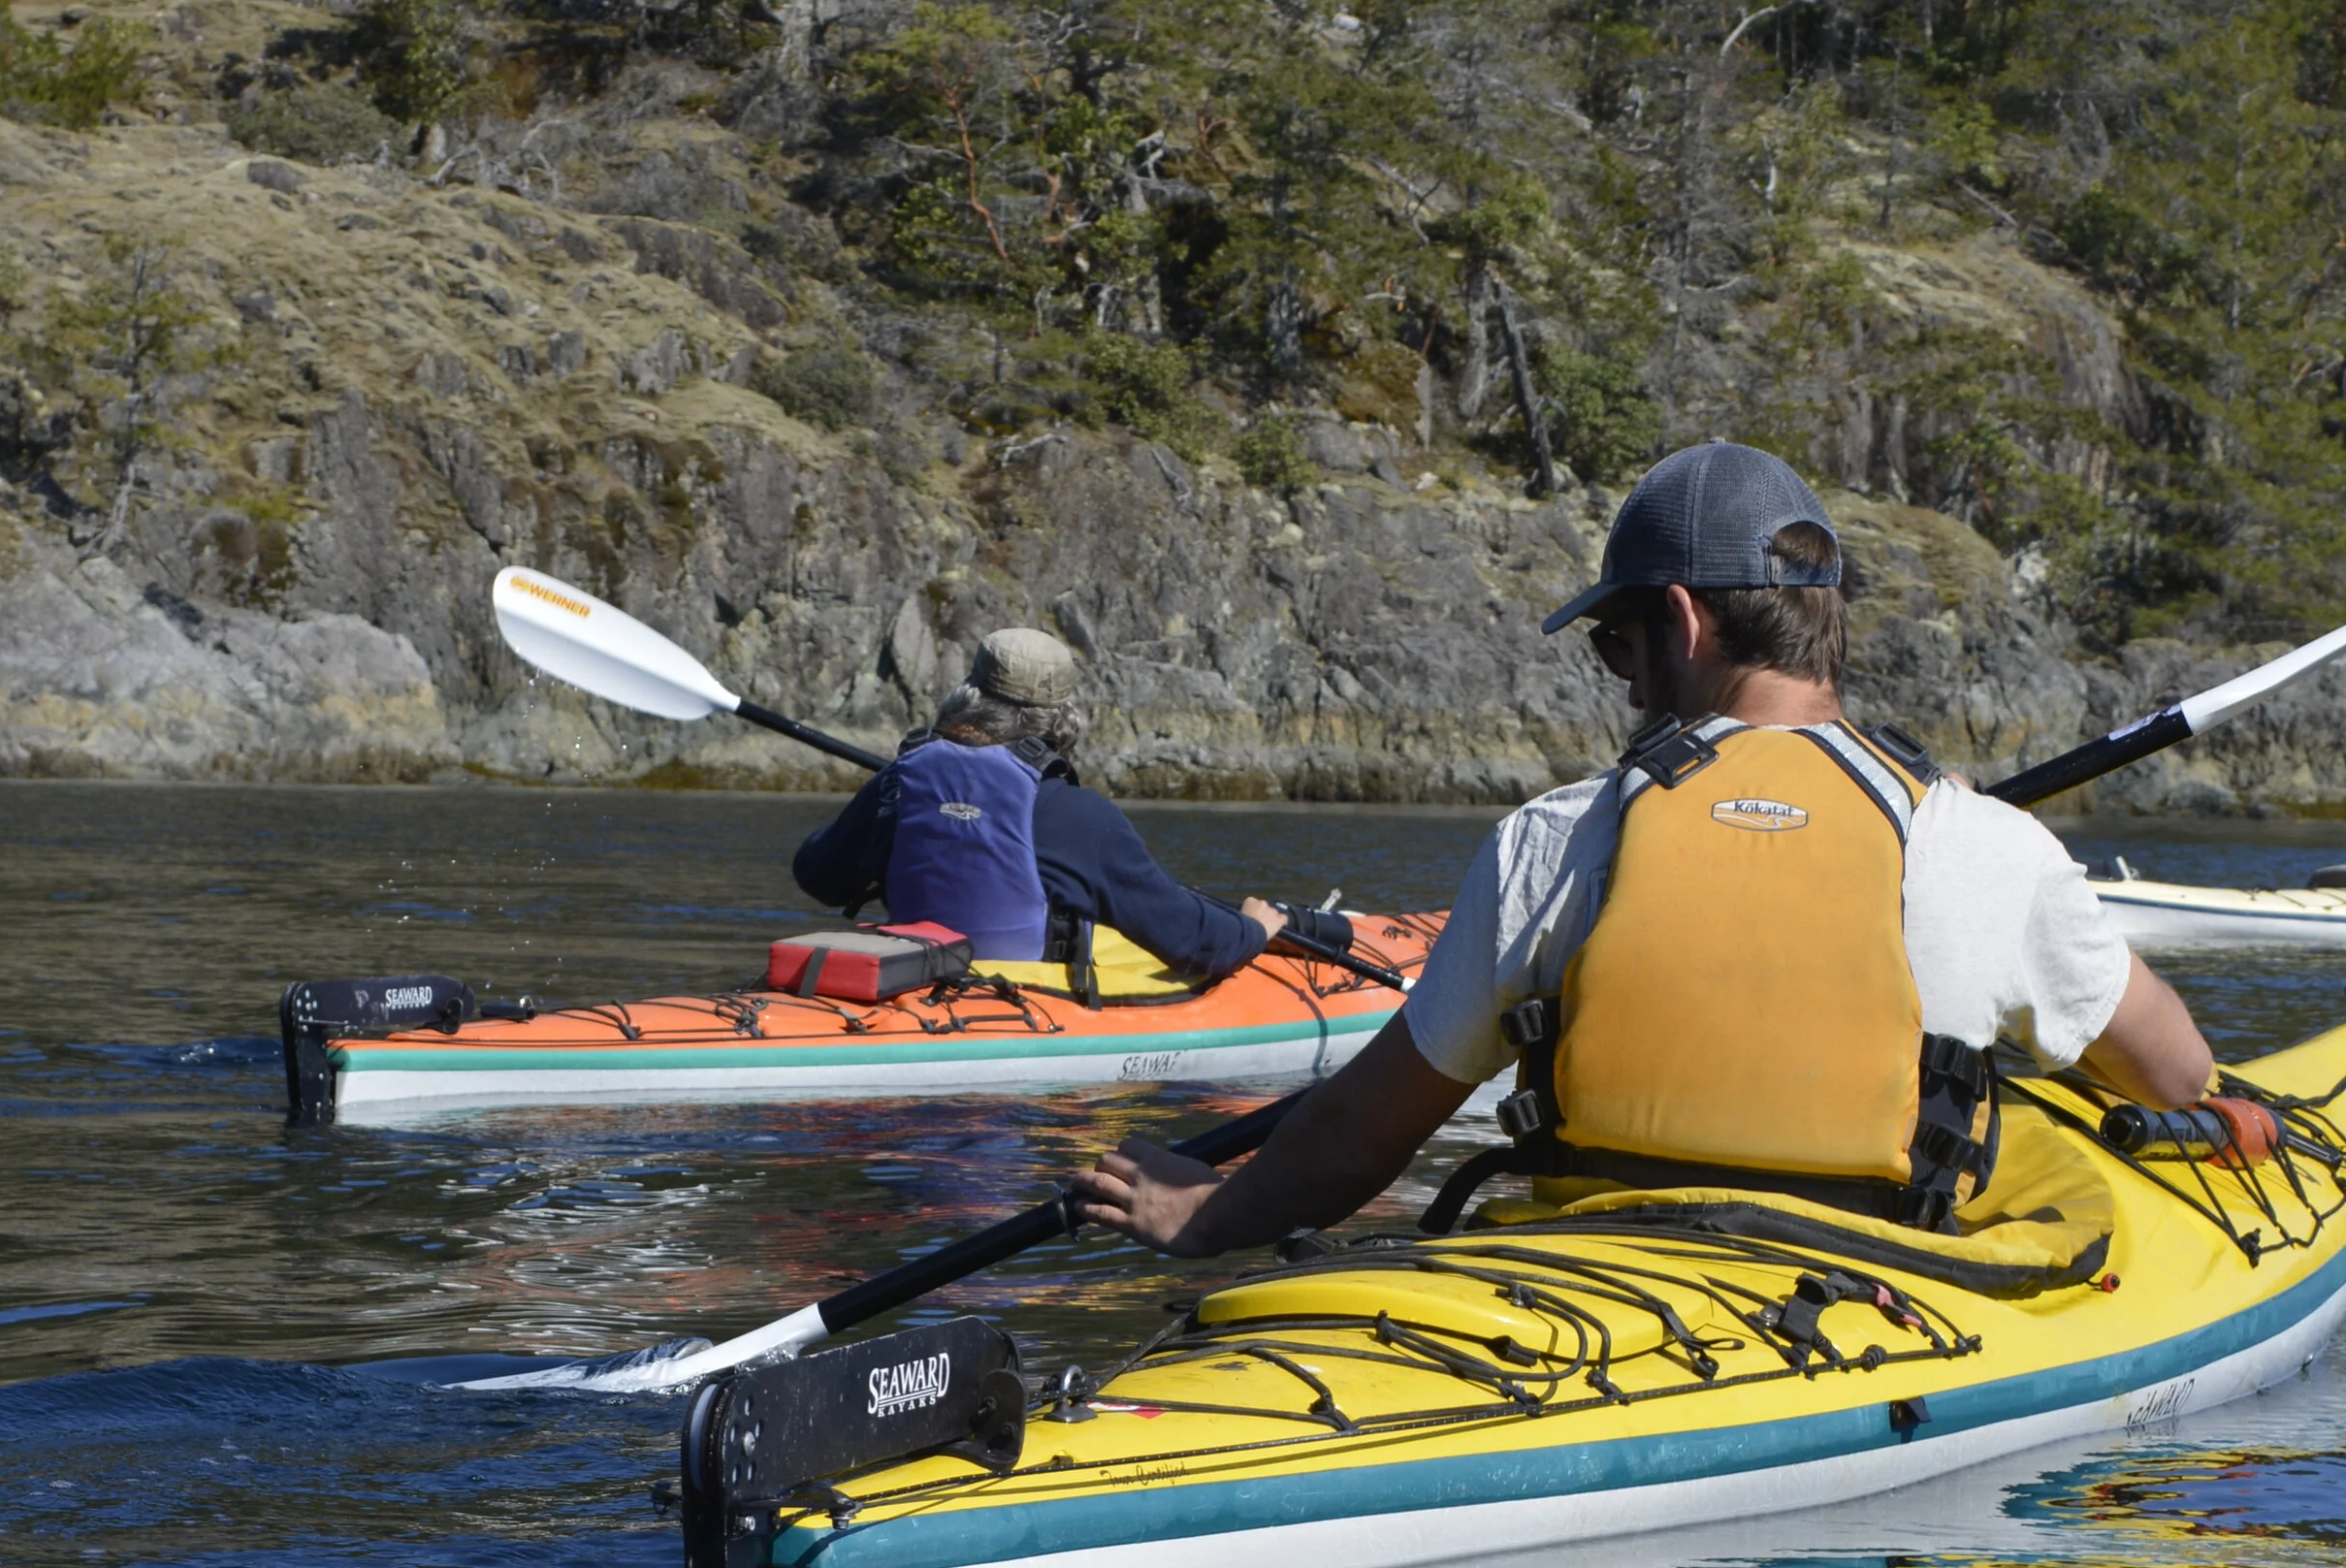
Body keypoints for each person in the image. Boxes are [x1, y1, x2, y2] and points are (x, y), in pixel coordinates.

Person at [1077, 438, 2214, 1254]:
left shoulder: (1556, 838)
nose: (1620, 674)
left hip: (1585, 1281)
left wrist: (1208, 1210)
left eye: (1615, 644)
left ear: (1680, 622)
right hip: (1879, 1294)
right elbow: (2179, 1079)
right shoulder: (1989, 846)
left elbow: (1354, 1143)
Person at [791, 625, 1284, 987]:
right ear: (1061, 720)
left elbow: (818, 877)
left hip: (910, 986)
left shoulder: (898, 784)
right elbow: (1195, 944)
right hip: (1017, 1008)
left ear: (966, 696)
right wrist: (1253, 930)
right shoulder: (1078, 816)